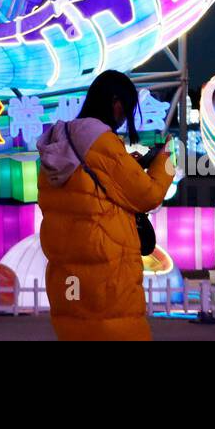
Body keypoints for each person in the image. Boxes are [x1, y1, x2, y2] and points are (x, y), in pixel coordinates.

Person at [36, 70, 174, 340]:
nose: (125, 117)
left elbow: (89, 190)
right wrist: (166, 163)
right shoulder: (102, 141)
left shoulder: (57, 145)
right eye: (127, 108)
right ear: (115, 102)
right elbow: (148, 195)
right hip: (107, 281)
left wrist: (125, 164)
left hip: (67, 284)